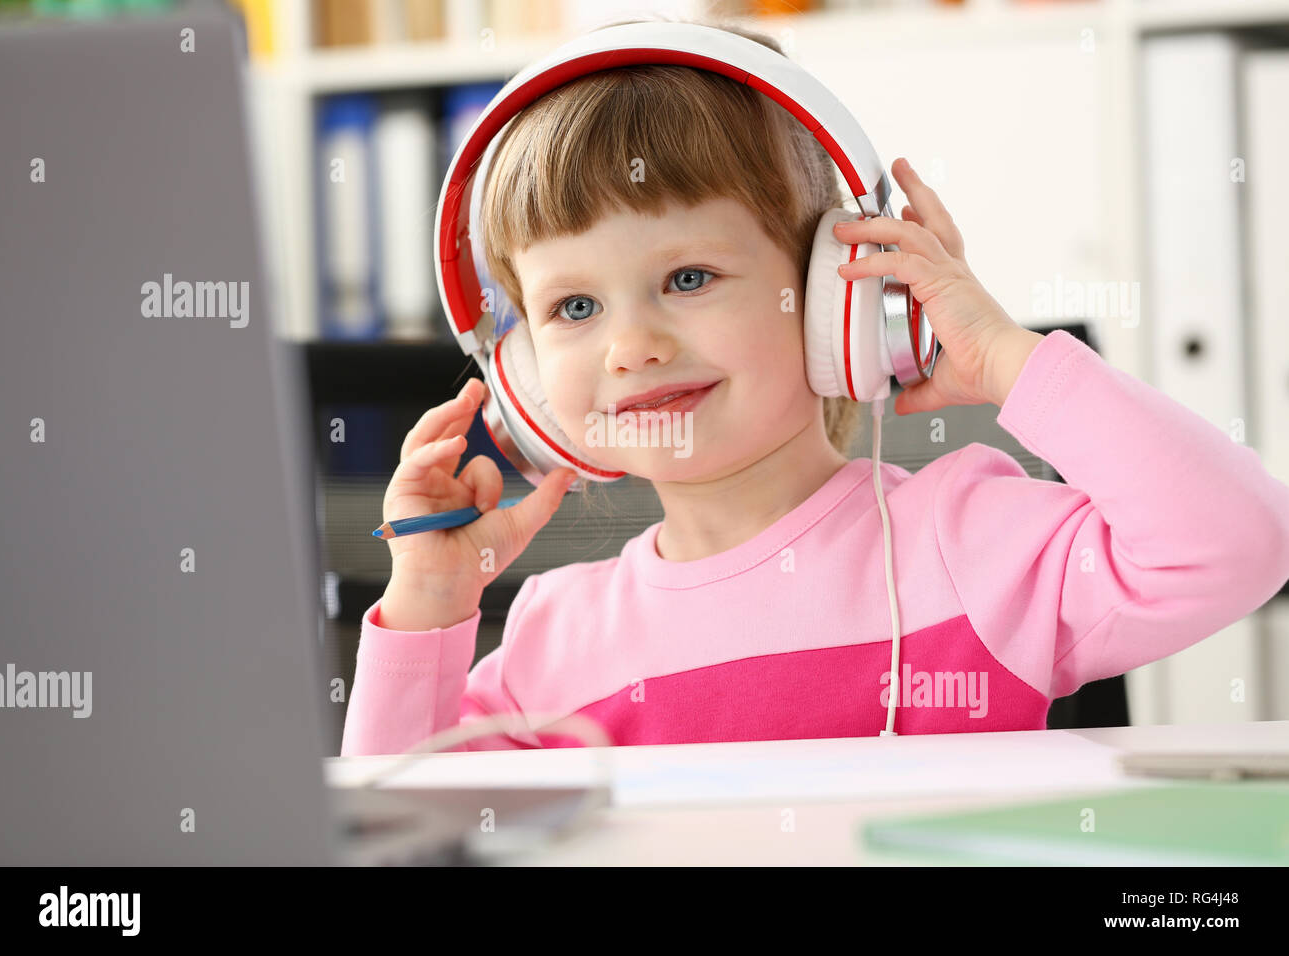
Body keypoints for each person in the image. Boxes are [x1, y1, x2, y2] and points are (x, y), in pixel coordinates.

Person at [341, 18, 1289, 754]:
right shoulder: (554, 643)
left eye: (688, 279)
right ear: (523, 379)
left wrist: (1004, 357)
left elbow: (1238, 541)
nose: (631, 346)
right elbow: (404, 825)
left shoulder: (970, 548)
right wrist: (431, 595)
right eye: (575, 309)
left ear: (846, 295)